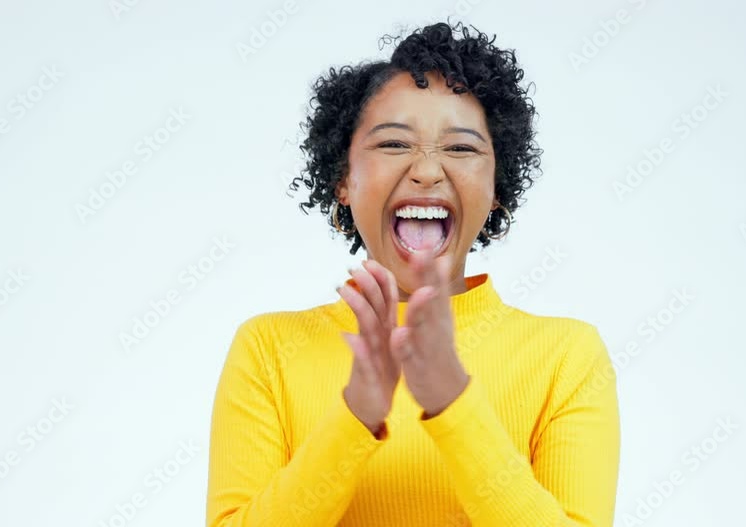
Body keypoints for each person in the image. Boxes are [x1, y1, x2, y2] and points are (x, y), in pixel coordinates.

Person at [206, 20, 620, 527]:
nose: (426, 170)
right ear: (343, 179)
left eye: (461, 148)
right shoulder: (268, 350)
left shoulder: (567, 357)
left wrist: (453, 401)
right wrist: (355, 415)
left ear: (496, 189)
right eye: (394, 145)